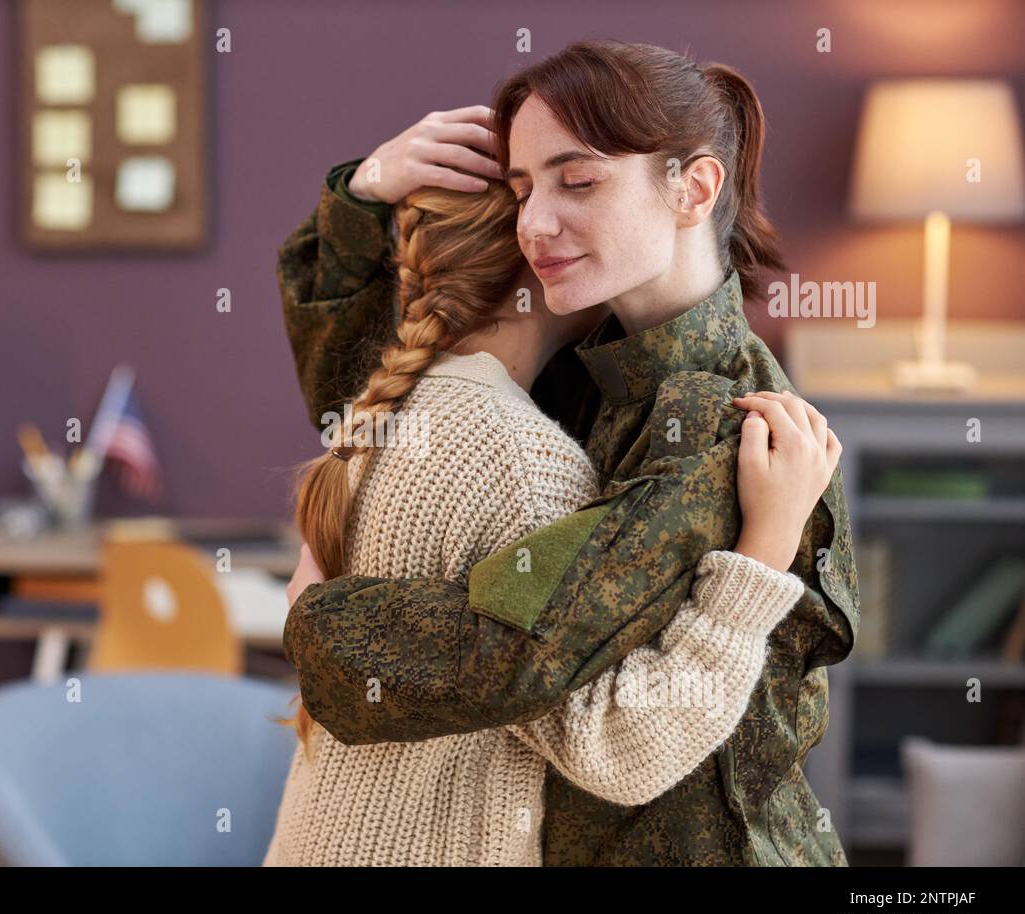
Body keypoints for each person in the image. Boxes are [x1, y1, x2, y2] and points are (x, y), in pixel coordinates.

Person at [276, 40, 859, 866]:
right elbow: (371, 400)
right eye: (522, 190)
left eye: (577, 181)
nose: (533, 223)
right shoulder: (575, 370)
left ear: (694, 189)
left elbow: (521, 647)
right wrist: (365, 193)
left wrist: (316, 618)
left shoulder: (729, 427)